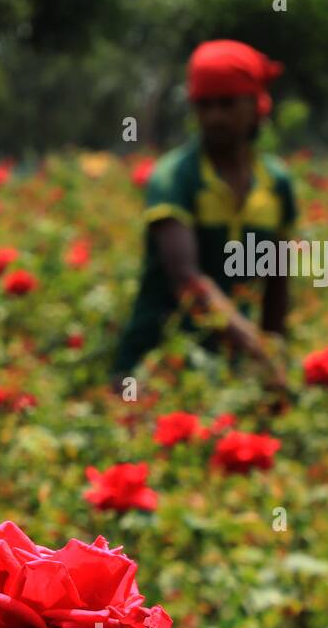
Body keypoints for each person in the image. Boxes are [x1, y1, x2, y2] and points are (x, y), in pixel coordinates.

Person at [112, 39, 296, 391]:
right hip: (156, 365)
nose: (215, 117)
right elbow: (187, 280)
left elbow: (277, 282)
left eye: (227, 104)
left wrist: (275, 360)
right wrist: (258, 348)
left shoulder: (276, 182)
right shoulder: (176, 178)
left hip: (230, 367)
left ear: (256, 105)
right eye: (204, 105)